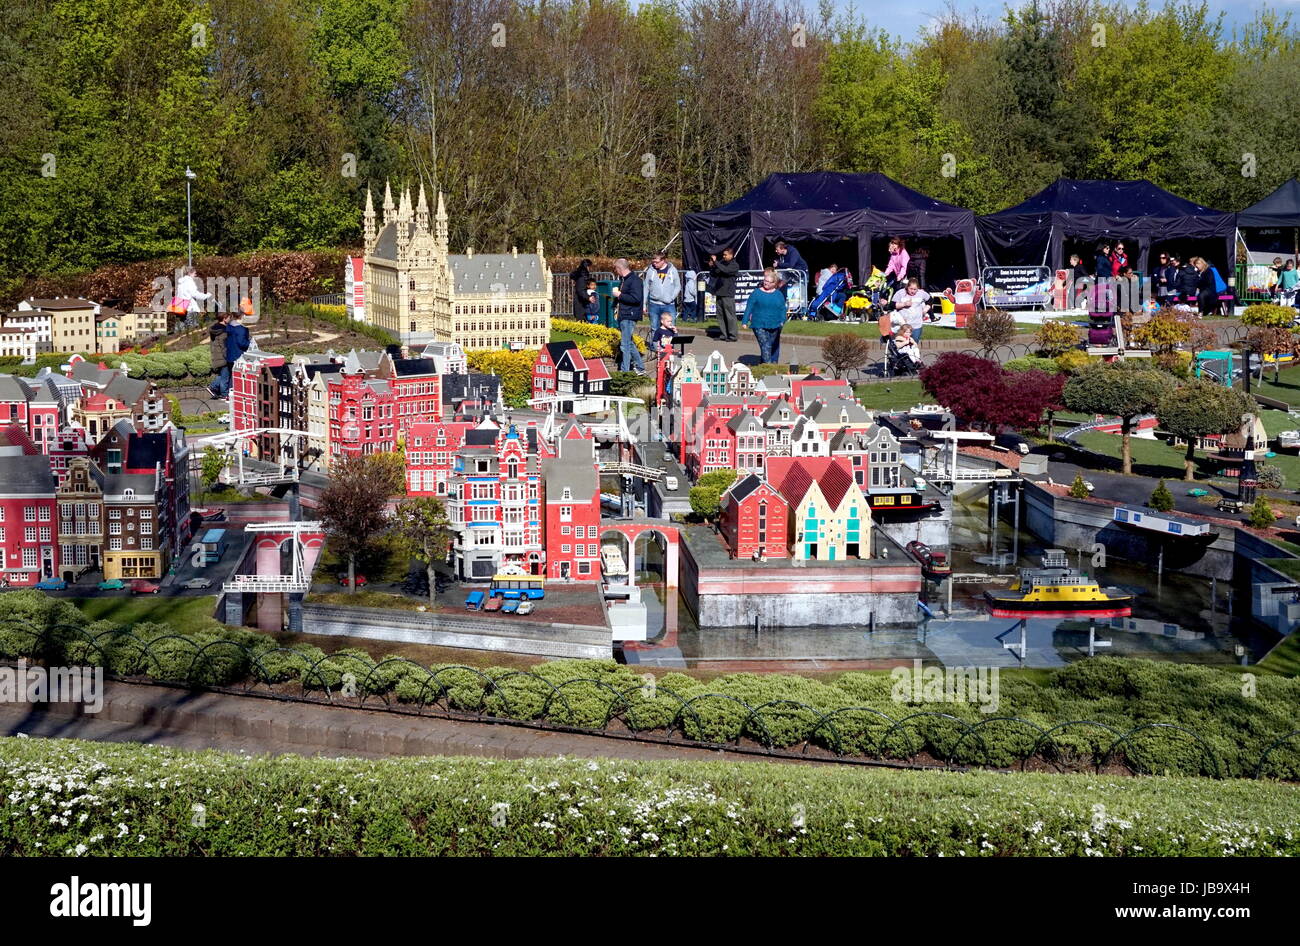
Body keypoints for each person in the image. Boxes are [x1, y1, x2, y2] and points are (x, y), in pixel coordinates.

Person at [742, 270, 788, 364]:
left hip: (775, 323)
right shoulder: (756, 293)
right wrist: (744, 321)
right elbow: (749, 307)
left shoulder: (779, 295)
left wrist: (783, 320)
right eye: (765, 280)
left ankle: (766, 365)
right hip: (759, 323)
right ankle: (768, 368)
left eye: (768, 282)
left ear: (774, 283)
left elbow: (782, 309)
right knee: (765, 345)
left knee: (770, 345)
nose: (766, 283)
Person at [611, 258, 645, 373]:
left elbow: (636, 298)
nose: (615, 271)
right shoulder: (624, 280)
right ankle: (640, 367)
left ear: (619, 268)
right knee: (629, 343)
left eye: (616, 269)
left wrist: (619, 295)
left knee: (625, 345)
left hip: (629, 315)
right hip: (624, 314)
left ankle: (624, 371)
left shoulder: (634, 281)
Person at [642, 251, 681, 337]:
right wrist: (644, 304)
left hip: (669, 305)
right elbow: (646, 287)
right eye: (653, 262)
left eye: (656, 262)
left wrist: (671, 298)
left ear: (663, 260)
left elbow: (677, 286)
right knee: (654, 327)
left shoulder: (672, 270)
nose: (654, 264)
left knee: (671, 327)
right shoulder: (650, 271)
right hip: (654, 304)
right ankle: (656, 347)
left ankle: (669, 348)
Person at [707, 247, 740, 342]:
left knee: (730, 315)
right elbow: (714, 273)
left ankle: (732, 335)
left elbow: (726, 270)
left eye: (725, 255)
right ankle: (723, 334)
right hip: (719, 292)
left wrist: (716, 262)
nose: (724, 256)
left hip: (728, 293)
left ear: (731, 255)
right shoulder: (721, 263)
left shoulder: (734, 265)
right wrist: (712, 266)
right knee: (720, 315)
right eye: (723, 255)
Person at [891, 277, 931, 341]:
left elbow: (930, 300)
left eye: (915, 289)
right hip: (903, 325)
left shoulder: (921, 293)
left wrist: (925, 309)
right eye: (911, 289)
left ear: (918, 288)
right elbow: (892, 305)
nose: (912, 291)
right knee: (902, 344)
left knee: (914, 343)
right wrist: (904, 304)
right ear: (907, 287)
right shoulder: (900, 293)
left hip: (916, 325)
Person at [207, 311, 231, 399]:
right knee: (225, 377)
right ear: (224, 319)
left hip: (217, 356)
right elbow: (224, 346)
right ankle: (225, 395)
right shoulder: (223, 331)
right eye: (229, 318)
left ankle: (212, 387)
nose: (230, 319)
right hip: (223, 358)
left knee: (223, 375)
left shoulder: (216, 329)